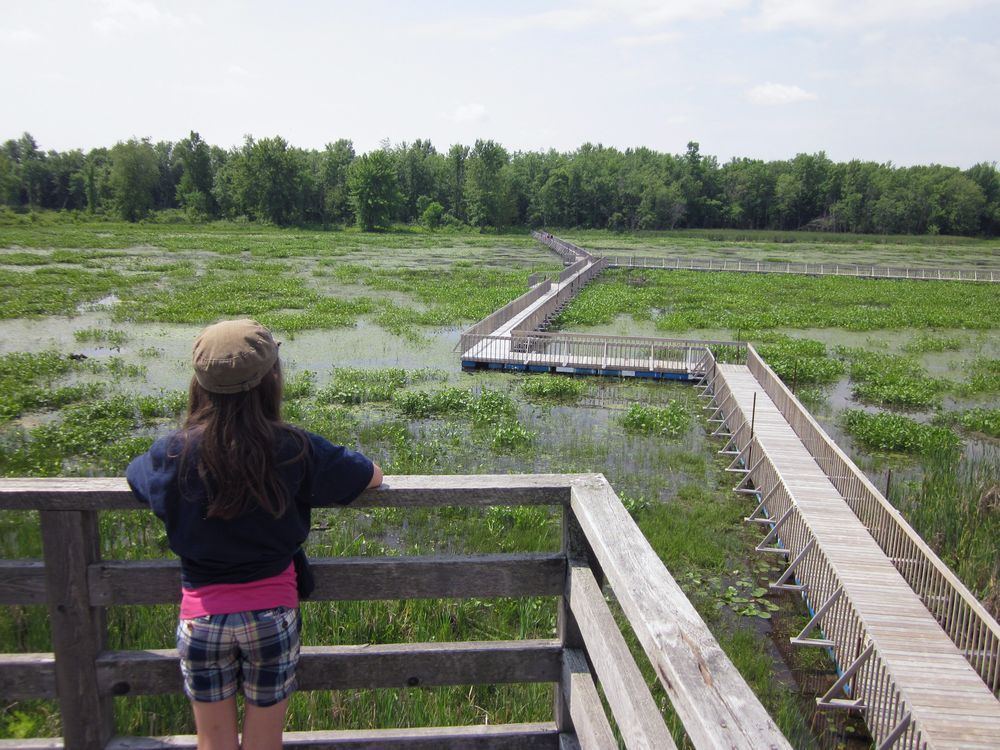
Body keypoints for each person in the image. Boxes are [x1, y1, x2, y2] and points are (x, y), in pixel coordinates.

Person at [126, 319, 383, 750]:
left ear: (199, 384)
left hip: (201, 617)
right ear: (273, 381)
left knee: (213, 741)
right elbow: (369, 476)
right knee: (265, 741)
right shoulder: (295, 446)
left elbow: (136, 479)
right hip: (271, 614)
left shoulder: (172, 452)